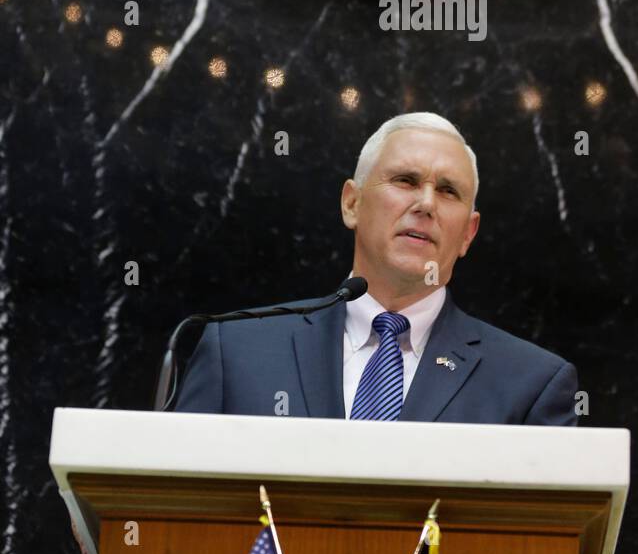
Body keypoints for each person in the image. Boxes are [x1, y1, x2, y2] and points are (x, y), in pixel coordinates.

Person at [172, 112, 579, 425]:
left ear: (468, 233)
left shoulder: (531, 384)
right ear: (352, 203)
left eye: (447, 191)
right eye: (405, 180)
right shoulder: (237, 353)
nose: (425, 204)